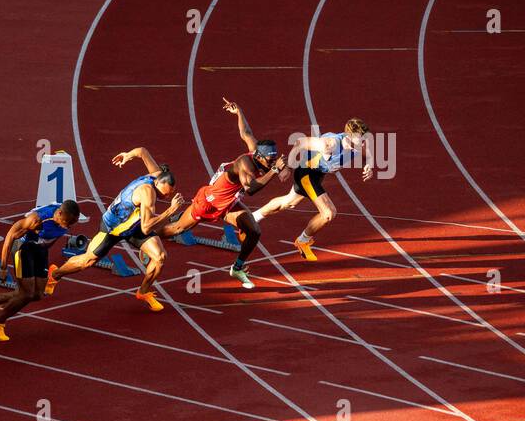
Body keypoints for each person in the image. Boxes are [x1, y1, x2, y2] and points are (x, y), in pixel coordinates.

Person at [158, 100, 287, 289]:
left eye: (275, 159)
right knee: (178, 229)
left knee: (254, 231)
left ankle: (237, 268)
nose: (273, 161)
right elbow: (250, 189)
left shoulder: (256, 151)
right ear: (259, 157)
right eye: (270, 159)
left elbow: (246, 133)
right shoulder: (246, 163)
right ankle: (149, 236)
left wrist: (239, 112)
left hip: (229, 203)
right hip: (209, 201)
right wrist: (274, 172)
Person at [50, 148, 184, 312]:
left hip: (133, 225)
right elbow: (147, 227)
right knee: (87, 261)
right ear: (157, 183)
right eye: (164, 194)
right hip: (113, 228)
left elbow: (142, 151)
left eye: (170, 195)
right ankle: (55, 275)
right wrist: (171, 210)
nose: (166, 198)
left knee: (160, 257)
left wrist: (127, 155)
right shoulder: (148, 193)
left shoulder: (156, 174)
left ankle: (143, 292)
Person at [252, 116, 375, 261]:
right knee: (328, 213)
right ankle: (303, 240)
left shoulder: (358, 144)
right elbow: (299, 143)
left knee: (288, 202)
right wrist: (288, 168)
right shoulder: (329, 144)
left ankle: (253, 217)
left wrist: (369, 166)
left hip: (317, 175)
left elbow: (368, 155)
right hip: (307, 173)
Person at [0, 199, 80, 341]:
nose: (69, 226)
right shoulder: (37, 219)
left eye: (72, 223)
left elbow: (53, 235)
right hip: (24, 250)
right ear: (59, 213)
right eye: (67, 222)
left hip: (40, 251)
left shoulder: (68, 217)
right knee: (27, 294)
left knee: (38, 294)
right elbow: (10, 236)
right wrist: (3, 267)